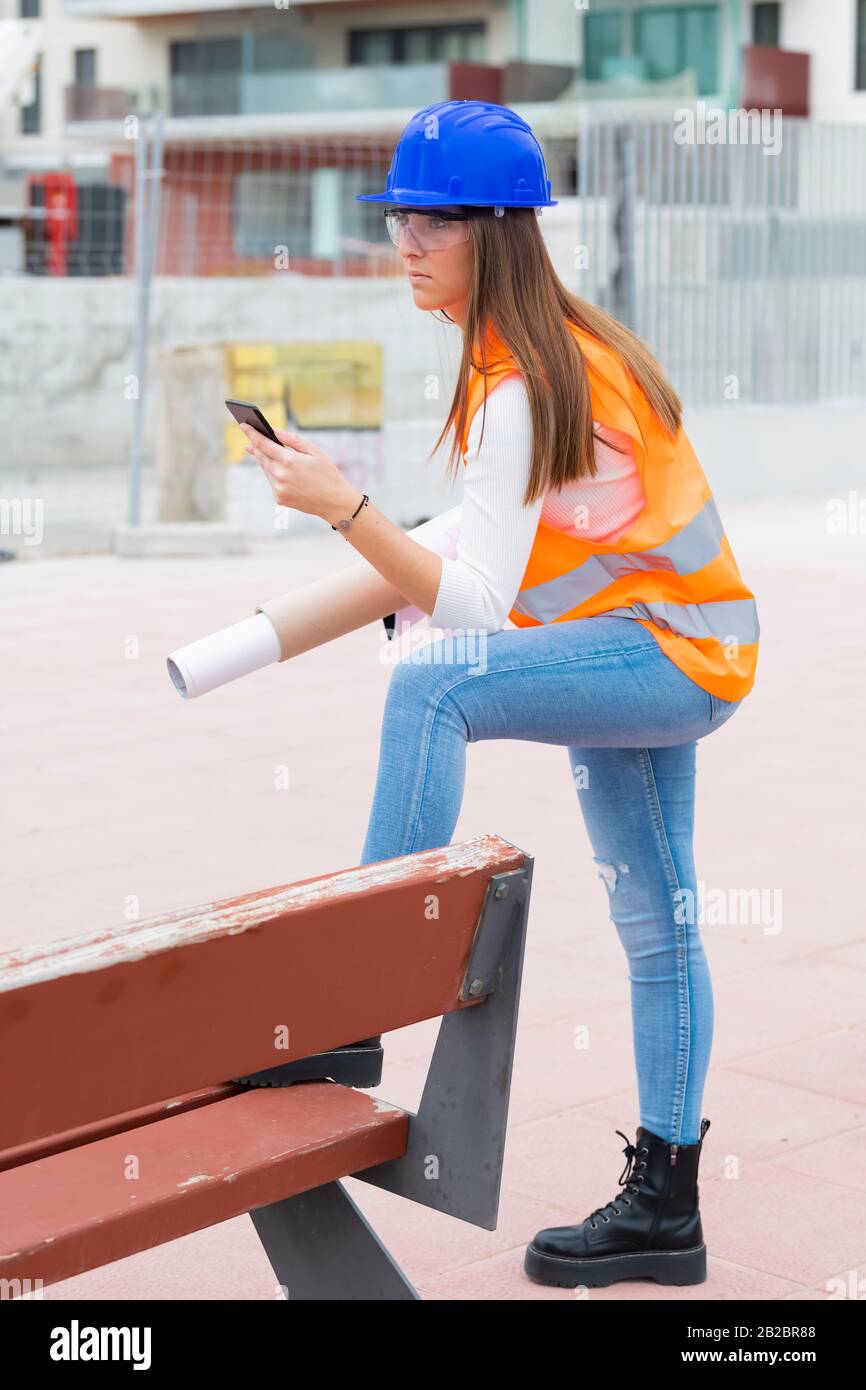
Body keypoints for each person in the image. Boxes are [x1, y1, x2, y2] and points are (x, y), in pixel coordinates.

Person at [235, 100, 760, 1290]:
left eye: (433, 220)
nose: (405, 242)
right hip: (672, 651)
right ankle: (664, 1209)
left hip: (660, 653)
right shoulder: (544, 346)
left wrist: (339, 506)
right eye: (397, 218)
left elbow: (473, 606)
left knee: (429, 688)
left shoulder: (519, 374)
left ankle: (352, 1005)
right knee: (660, 924)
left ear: (501, 232)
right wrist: (392, 561)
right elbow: (503, 551)